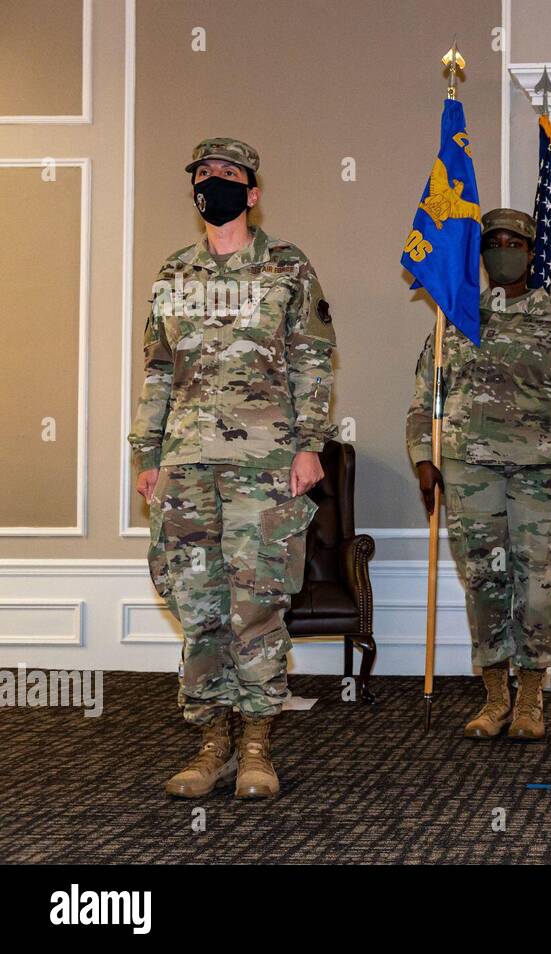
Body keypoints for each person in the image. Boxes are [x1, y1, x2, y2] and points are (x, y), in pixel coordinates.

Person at [129, 138, 337, 799]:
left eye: (227, 174)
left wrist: (310, 445)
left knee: (258, 601)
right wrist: (146, 453)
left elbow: (313, 360)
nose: (212, 182)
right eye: (202, 173)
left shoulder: (286, 267)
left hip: (265, 464)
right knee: (198, 604)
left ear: (251, 192)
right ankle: (210, 740)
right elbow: (159, 371)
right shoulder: (173, 274)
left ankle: (255, 744)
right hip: (187, 464)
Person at [407, 208, 551, 741]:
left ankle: (531, 696)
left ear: (531, 252)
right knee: (483, 580)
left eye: (513, 242)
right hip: (469, 467)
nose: (502, 250)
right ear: (481, 255)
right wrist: (422, 457)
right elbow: (424, 398)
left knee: (539, 585)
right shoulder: (456, 315)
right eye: (493, 242)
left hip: (542, 470)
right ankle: (494, 695)